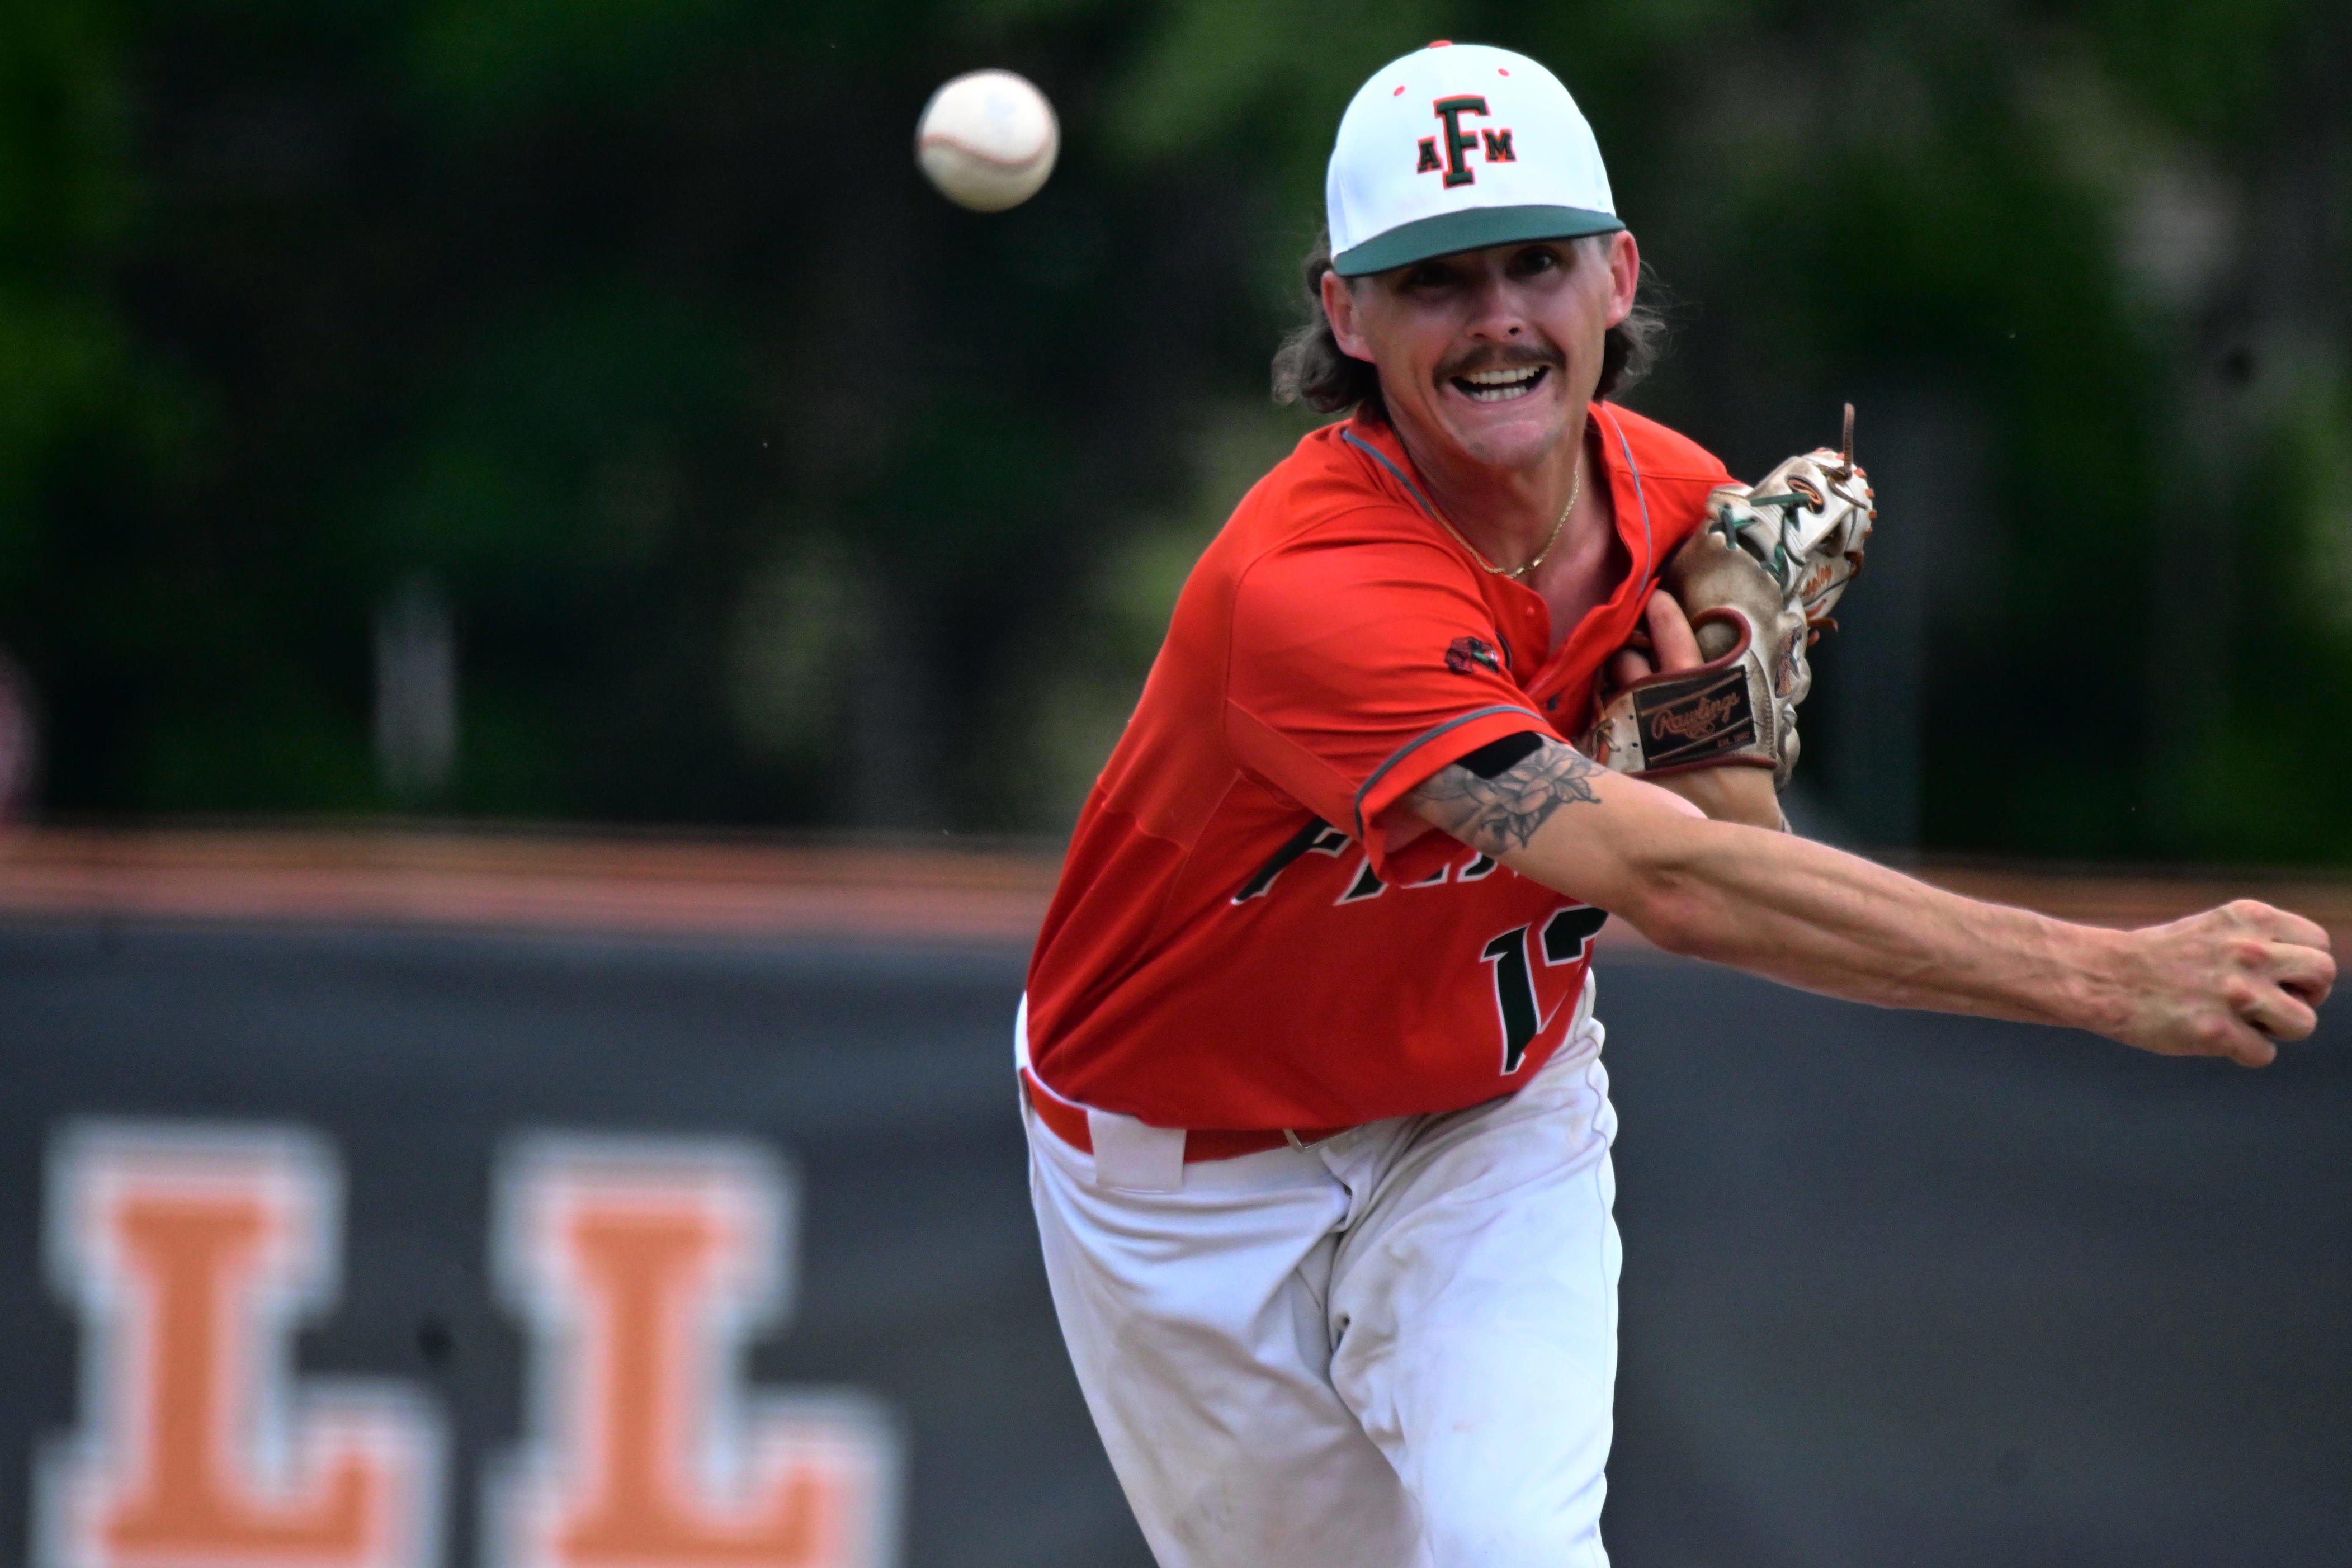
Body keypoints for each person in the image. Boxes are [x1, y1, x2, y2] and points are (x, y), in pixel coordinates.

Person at [1017, 40, 2333, 1568]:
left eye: (1536, 262)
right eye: (1437, 277)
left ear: (1617, 274)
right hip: (1187, 1179)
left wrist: (1714, 702)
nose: (1499, 317)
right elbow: (1689, 891)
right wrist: (2108, 976)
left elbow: (1736, 858)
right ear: (1347, 313)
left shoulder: (1671, 508)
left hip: (1484, 1124)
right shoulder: (1309, 590)